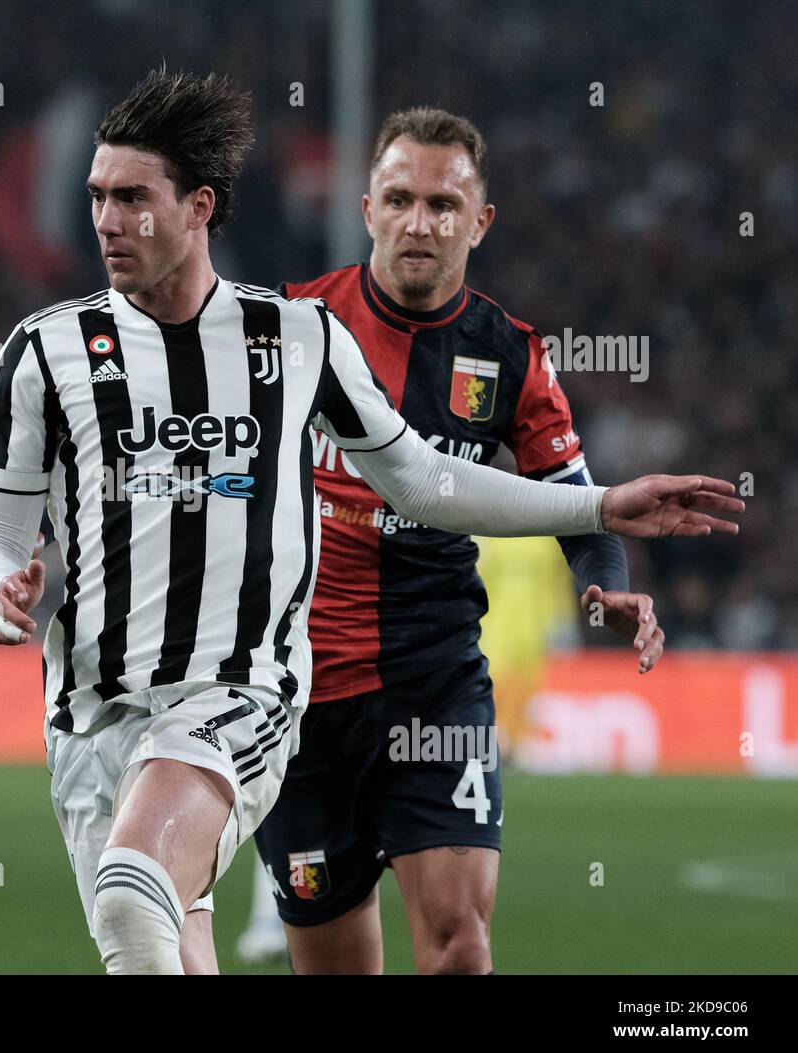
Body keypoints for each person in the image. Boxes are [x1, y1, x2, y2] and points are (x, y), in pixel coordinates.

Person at [0, 73, 741, 975]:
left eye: (132, 197)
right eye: (97, 197)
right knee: (169, 944)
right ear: (369, 209)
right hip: (100, 710)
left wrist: (600, 515)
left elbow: (423, 482)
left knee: (413, 937)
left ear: (198, 207)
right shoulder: (42, 351)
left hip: (274, 688)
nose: (105, 220)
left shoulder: (297, 340)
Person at [245, 107, 674, 974]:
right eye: (399, 199)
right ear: (366, 207)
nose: (418, 222)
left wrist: (605, 579)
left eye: (443, 205)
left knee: (461, 949)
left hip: (434, 684)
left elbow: (575, 497)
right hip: (299, 694)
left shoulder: (510, 354)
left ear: (479, 223)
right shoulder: (289, 328)